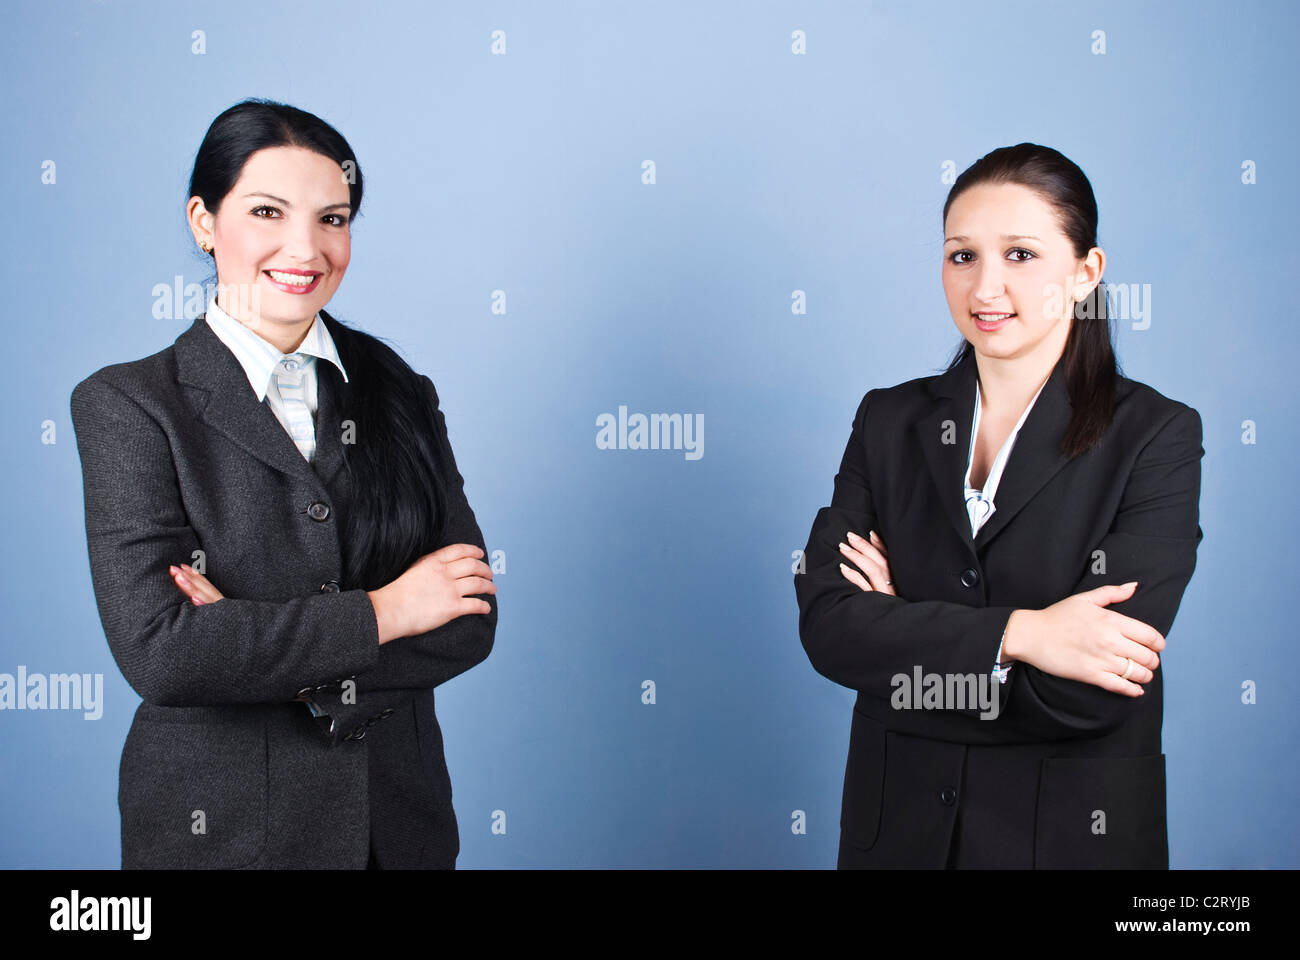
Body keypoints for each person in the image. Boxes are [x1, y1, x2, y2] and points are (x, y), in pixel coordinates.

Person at [70, 99, 497, 869]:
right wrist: (388, 610)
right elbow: (163, 653)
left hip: (396, 827)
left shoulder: (403, 391)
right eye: (268, 211)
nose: (306, 247)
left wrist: (247, 639)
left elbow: (467, 618)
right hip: (222, 832)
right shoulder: (128, 404)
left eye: (333, 219)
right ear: (205, 221)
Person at [794, 143, 1203, 868]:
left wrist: (901, 644)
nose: (985, 287)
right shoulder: (887, 419)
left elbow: (1093, 696)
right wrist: (1023, 635)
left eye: (1020, 255)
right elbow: (832, 631)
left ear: (1085, 273)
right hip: (900, 841)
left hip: (1066, 845)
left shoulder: (1156, 436)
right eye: (962, 256)